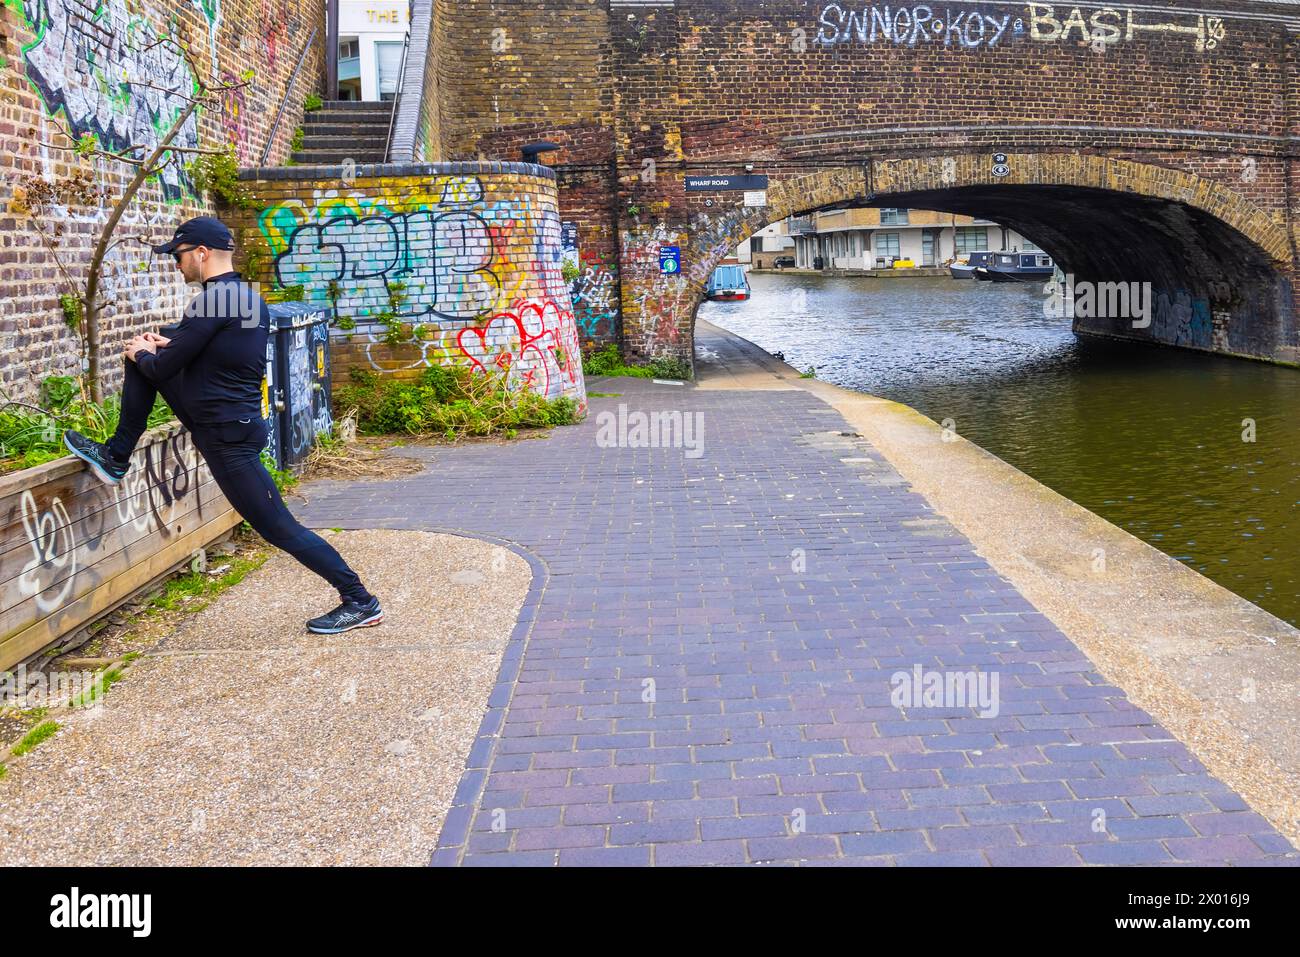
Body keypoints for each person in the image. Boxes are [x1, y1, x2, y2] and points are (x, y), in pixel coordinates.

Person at [63, 216, 384, 635]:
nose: (176, 265)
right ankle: (116, 457)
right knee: (145, 359)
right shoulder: (241, 297)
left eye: (178, 256)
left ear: (200, 253)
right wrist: (159, 349)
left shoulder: (213, 301)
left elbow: (166, 367)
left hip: (228, 435)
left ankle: (360, 601)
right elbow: (222, 353)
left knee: (279, 528)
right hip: (222, 419)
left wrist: (147, 353)